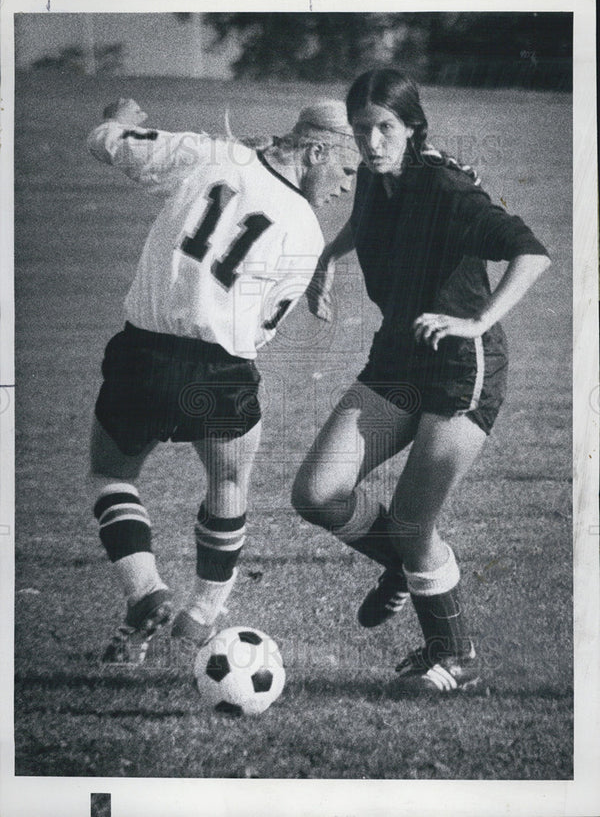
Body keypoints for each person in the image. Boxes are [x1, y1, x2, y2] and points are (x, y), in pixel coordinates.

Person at [292, 68, 551, 694]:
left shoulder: (445, 187)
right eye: (362, 129)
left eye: (385, 127)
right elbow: (367, 222)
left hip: (461, 368)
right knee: (317, 493)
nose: (372, 142)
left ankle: (456, 656)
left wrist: (477, 321)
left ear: (412, 126)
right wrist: (329, 257)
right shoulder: (373, 176)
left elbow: (532, 251)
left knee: (412, 522)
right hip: (396, 357)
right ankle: (409, 565)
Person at [87, 97, 359, 664]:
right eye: (346, 169)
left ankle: (143, 589)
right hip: (223, 369)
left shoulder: (209, 155)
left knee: (112, 474)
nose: (347, 187)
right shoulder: (306, 233)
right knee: (229, 482)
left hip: (143, 353)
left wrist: (119, 122)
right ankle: (202, 614)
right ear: (315, 151)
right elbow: (264, 330)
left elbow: (108, 143)